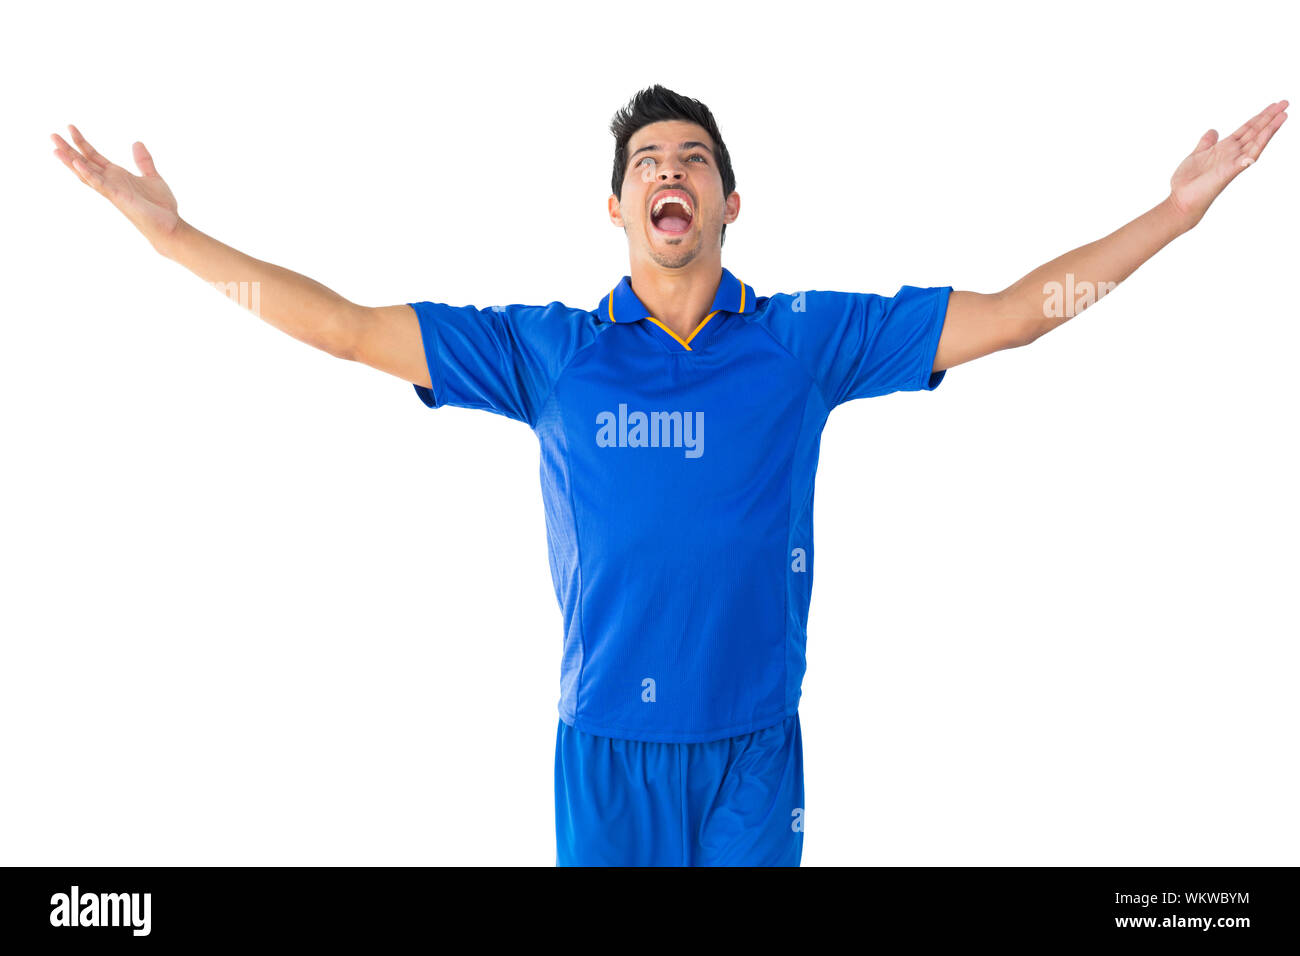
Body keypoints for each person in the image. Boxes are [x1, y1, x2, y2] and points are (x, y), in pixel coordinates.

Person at [52, 85, 1287, 866]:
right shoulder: (548, 351)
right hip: (607, 745)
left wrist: (1175, 213)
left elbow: (1019, 313)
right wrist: (172, 237)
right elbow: (342, 327)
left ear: (729, 200)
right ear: (616, 207)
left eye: (691, 158)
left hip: (755, 744)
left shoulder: (804, 338)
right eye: (647, 161)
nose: (669, 174)